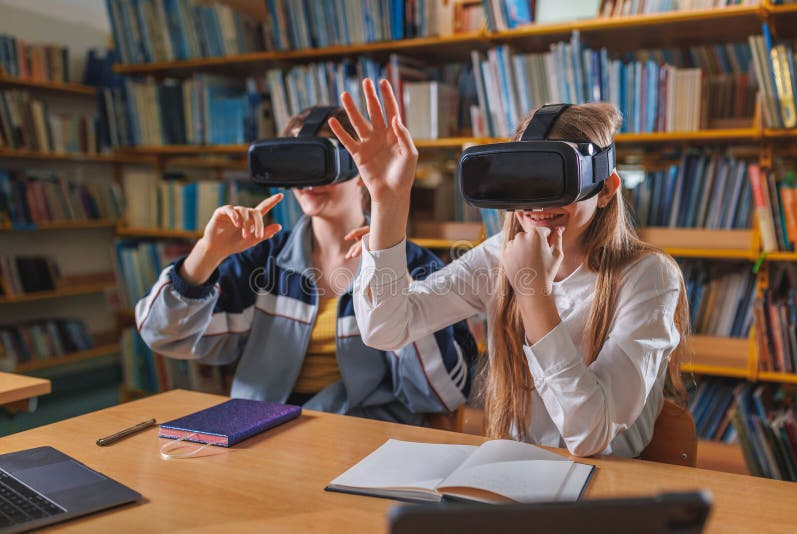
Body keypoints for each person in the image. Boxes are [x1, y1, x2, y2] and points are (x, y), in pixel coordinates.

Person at [329, 79, 689, 457]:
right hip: (511, 475)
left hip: (609, 487)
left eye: (554, 180)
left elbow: (590, 436)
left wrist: (534, 294)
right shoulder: (498, 255)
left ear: (606, 190)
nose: (536, 204)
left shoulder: (648, 276)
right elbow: (385, 329)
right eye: (522, 182)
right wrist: (389, 203)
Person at [135, 106, 476, 425]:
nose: (308, 181)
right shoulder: (262, 261)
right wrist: (207, 254)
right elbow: (162, 336)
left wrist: (392, 276)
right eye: (296, 163)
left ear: (362, 170)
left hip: (362, 438)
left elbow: (441, 396)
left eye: (320, 160)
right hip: (261, 431)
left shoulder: (415, 265)